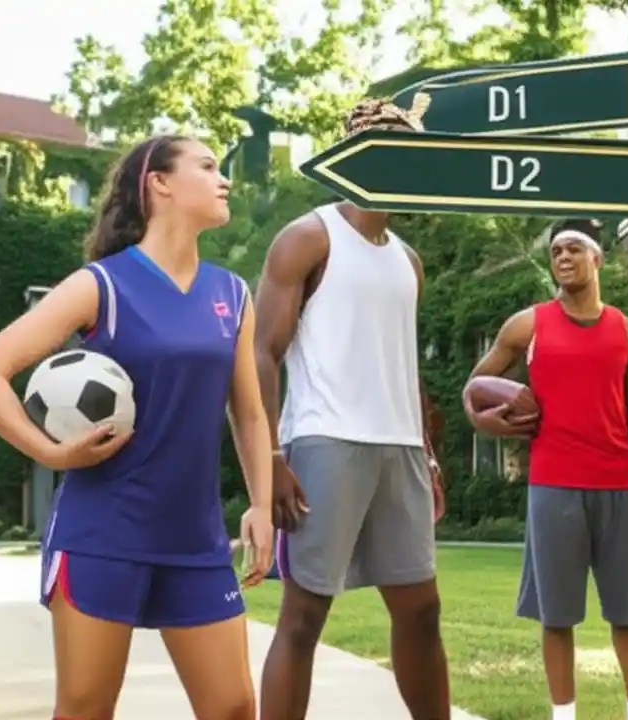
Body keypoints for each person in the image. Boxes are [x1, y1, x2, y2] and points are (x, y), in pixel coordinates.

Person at [0, 134, 275, 720]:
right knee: (85, 709)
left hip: (196, 539)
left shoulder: (233, 294)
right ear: (160, 182)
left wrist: (262, 505)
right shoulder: (101, 285)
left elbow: (248, 413)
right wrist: (49, 454)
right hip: (104, 533)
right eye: (207, 167)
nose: (224, 179)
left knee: (232, 708)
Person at [254, 98, 450, 720]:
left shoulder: (408, 260)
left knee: (421, 611)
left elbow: (401, 365)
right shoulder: (308, 237)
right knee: (305, 617)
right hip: (324, 442)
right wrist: (271, 459)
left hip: (400, 449)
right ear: (354, 153)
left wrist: (429, 453)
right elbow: (262, 353)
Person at [464, 218, 628, 720]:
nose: (562, 258)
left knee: (627, 615)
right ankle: (563, 715)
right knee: (557, 616)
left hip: (618, 483)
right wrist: (491, 423)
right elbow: (474, 388)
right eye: (555, 252)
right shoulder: (528, 325)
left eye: (573, 249)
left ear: (598, 259)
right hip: (554, 485)